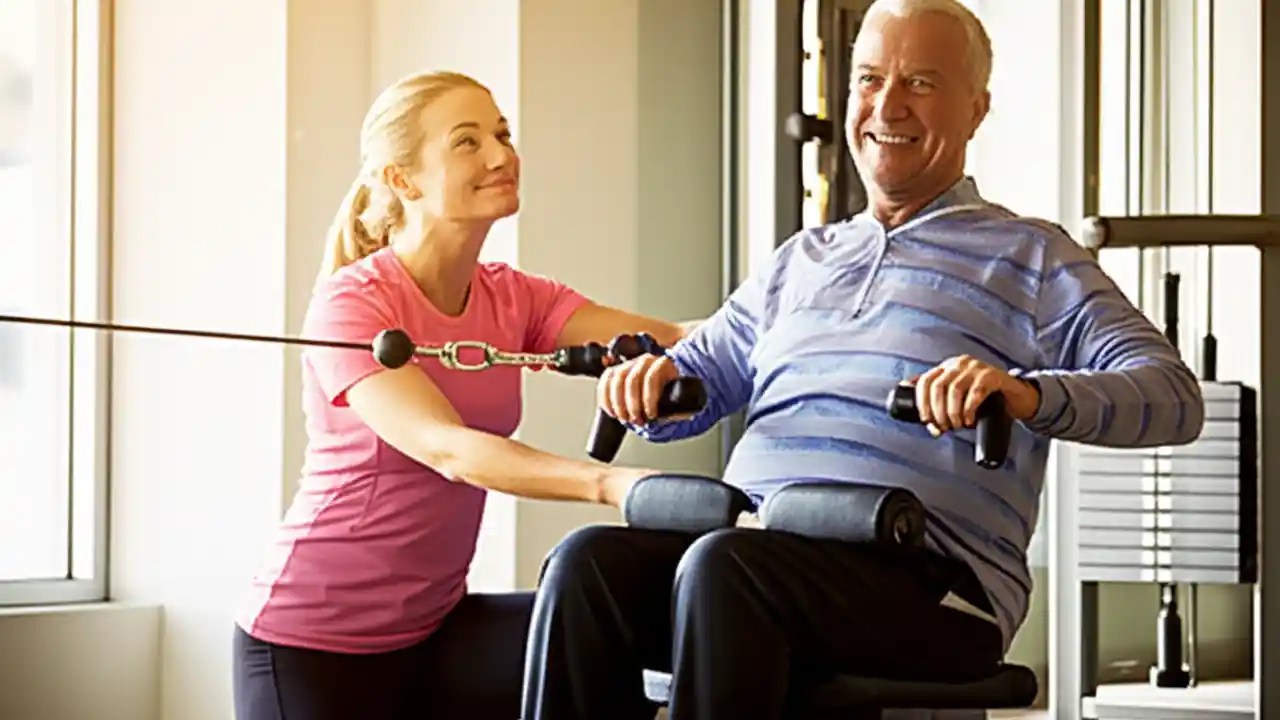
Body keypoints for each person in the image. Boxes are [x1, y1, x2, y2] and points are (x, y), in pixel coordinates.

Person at [520, 1, 1206, 718]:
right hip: (757, 557)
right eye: (870, 78)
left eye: (921, 82)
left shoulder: (1032, 257)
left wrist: (1025, 395)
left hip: (932, 586)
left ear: (977, 109)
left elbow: (1173, 399)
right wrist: (654, 385)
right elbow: (700, 379)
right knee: (586, 564)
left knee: (725, 567)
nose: (887, 104)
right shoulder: (802, 260)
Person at [231, 70, 676, 720]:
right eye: (467, 142)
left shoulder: (513, 296)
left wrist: (798, 308)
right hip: (310, 647)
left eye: (502, 134)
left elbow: (669, 338)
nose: (501, 155)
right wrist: (614, 486)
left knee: (608, 632)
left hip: (432, 633)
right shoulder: (354, 303)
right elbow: (449, 449)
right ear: (402, 180)